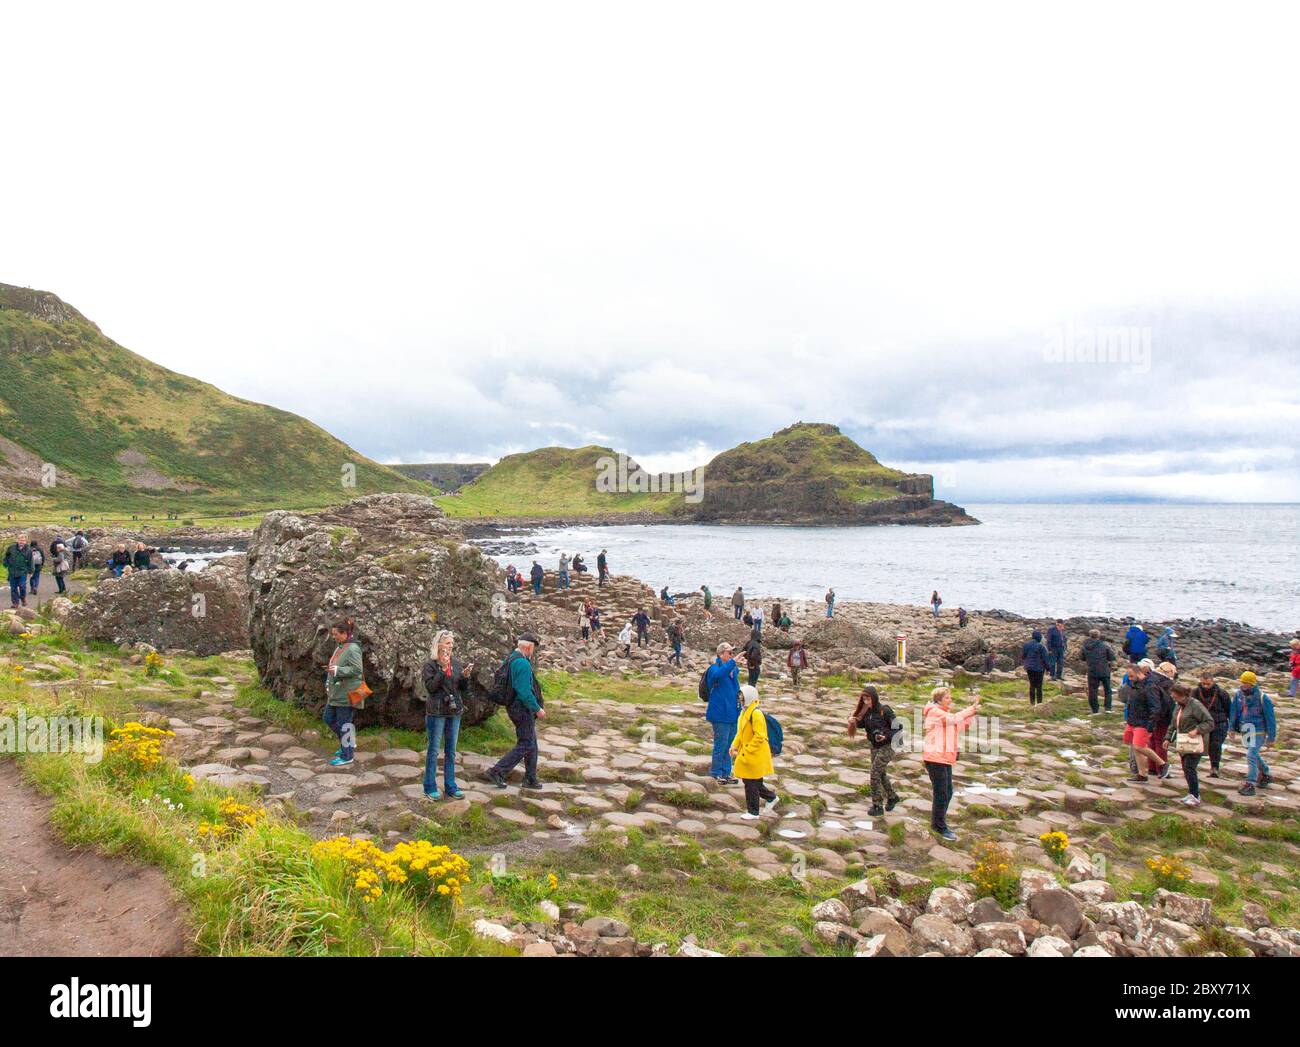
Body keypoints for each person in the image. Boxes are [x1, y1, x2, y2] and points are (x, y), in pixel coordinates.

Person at [486, 634, 546, 790]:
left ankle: (530, 778)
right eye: (533, 648)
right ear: (528, 647)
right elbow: (524, 691)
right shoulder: (522, 663)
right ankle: (497, 771)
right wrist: (537, 708)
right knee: (526, 743)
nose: (533, 652)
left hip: (514, 706)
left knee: (531, 743)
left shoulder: (512, 658)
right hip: (522, 708)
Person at [922, 686, 980, 841]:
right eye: (947, 697)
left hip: (944, 757)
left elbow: (962, 726)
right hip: (935, 758)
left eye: (950, 697)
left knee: (947, 792)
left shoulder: (944, 714)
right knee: (941, 793)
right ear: (939, 699)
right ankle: (939, 827)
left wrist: (972, 713)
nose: (950, 699)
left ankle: (938, 823)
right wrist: (970, 709)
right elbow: (954, 719)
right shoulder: (935, 712)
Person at [419, 630, 470, 800]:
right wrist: (441, 669)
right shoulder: (430, 665)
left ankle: (451, 785)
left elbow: (461, 688)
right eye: (448, 643)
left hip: (454, 712)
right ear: (439, 644)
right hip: (437, 711)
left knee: (451, 750)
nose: (451, 646)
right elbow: (431, 688)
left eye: (452, 643)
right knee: (433, 750)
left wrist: (465, 677)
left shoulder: (456, 663)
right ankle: (429, 786)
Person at [847, 685, 901, 816]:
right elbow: (863, 724)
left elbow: (898, 727)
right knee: (880, 773)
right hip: (875, 746)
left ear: (874, 697)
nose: (867, 701)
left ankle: (877, 805)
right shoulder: (867, 712)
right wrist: (852, 721)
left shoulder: (885, 710)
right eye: (864, 699)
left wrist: (886, 736)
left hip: (889, 745)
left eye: (868, 698)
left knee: (874, 773)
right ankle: (892, 797)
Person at [730, 685, 778, 819]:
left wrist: (747, 749)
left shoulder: (756, 713)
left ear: (749, 697)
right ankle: (771, 798)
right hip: (748, 753)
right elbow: (740, 733)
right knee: (753, 782)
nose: (739, 697)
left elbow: (760, 736)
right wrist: (734, 745)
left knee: (751, 783)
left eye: (742, 695)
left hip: (755, 753)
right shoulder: (744, 712)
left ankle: (753, 812)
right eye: (739, 695)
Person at [324, 617, 365, 767]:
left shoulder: (353, 648)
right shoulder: (341, 645)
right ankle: (347, 743)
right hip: (336, 693)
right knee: (328, 718)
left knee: (344, 724)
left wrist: (338, 670)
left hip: (346, 694)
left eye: (336, 634)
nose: (333, 637)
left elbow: (357, 670)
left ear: (345, 633)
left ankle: (347, 755)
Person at [1229, 671, 1276, 796]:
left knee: (1251, 754)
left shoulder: (1262, 697)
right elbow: (1233, 712)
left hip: (1259, 729)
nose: (1244, 685)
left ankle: (1250, 782)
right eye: (1243, 683)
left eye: (1247, 683)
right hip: (1245, 728)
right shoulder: (1238, 695)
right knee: (1252, 753)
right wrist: (1231, 728)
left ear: (1252, 684)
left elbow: (1270, 718)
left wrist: (1271, 737)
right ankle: (1265, 772)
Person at [1170, 682, 1213, 807]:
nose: (1174, 698)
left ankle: (1195, 795)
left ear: (1183, 695)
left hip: (1195, 743)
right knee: (1186, 768)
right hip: (1183, 742)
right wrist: (1168, 738)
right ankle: (1192, 793)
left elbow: (1210, 722)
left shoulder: (1196, 705)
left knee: (1189, 767)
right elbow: (1173, 724)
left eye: (1176, 697)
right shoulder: (1178, 706)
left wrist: (1197, 730)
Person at [1122, 659, 1165, 782]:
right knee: (1136, 747)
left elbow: (1155, 707)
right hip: (1134, 720)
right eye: (1128, 676)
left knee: (1139, 746)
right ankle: (1142, 774)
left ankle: (1163, 764)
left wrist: (1151, 724)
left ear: (1138, 673)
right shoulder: (1136, 685)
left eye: (1131, 676)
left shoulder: (1150, 686)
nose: (1129, 678)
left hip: (1144, 722)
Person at [705, 642, 741, 784]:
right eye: (729, 652)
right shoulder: (714, 669)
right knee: (721, 743)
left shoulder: (732, 669)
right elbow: (719, 675)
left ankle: (726, 773)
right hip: (720, 713)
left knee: (730, 745)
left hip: (732, 713)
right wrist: (732, 663)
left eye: (732, 653)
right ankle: (716, 773)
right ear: (721, 654)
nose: (732, 655)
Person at [1193, 671, 1232, 778]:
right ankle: (1192, 768)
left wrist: (1232, 726)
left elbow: (1229, 709)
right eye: (1203, 684)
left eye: (1208, 684)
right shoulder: (1195, 693)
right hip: (1201, 723)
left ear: (1213, 682)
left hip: (1219, 723)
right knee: (1197, 746)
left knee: (1215, 745)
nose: (1205, 686)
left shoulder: (1222, 693)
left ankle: (1214, 768)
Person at [1147, 661, 1177, 778]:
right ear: (1169, 671)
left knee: (1152, 741)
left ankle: (1152, 767)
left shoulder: (1150, 679)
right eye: (1174, 672)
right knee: (1161, 742)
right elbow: (1169, 703)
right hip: (1162, 717)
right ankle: (1161, 767)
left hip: (1150, 715)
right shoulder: (1167, 684)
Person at [1080, 628, 1116, 714]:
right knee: (1107, 690)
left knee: (1092, 690)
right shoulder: (1104, 645)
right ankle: (1108, 708)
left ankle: (1095, 709)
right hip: (1104, 670)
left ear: (1090, 636)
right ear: (1098, 636)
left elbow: (1081, 657)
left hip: (1092, 670)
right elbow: (1112, 657)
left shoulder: (1085, 646)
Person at [1021, 629, 1050, 706]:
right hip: (1039, 669)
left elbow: (1023, 656)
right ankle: (1039, 704)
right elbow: (1045, 659)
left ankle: (1032, 703)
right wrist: (1048, 669)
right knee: (1039, 686)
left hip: (1029, 668)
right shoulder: (1041, 646)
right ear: (1039, 637)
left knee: (1032, 685)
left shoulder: (1026, 645)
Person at [4, 534, 33, 608]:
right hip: (12, 571)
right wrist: (6, 563)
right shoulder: (11, 548)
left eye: (23, 540)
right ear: (17, 540)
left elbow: (31, 561)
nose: (21, 542)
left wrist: (31, 571)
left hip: (22, 572)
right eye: (20, 540)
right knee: (13, 588)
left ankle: (23, 598)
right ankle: (15, 603)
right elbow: (6, 556)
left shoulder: (28, 550)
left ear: (26, 541)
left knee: (22, 586)